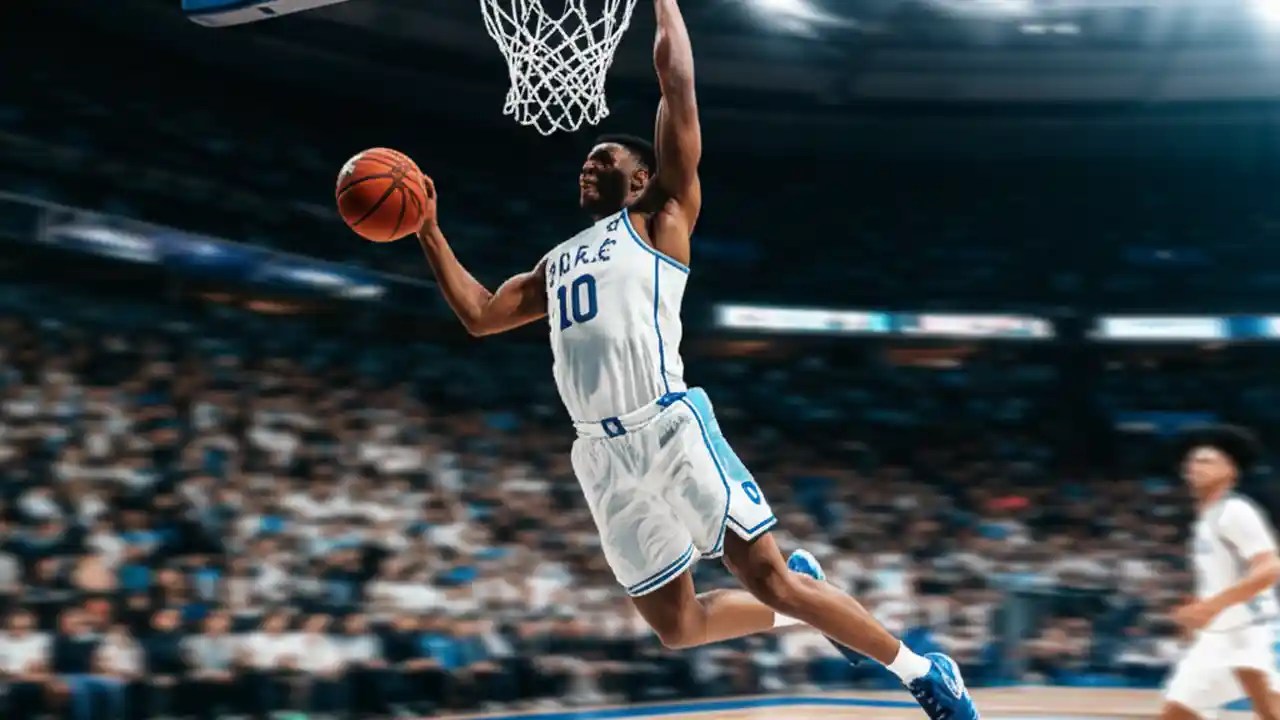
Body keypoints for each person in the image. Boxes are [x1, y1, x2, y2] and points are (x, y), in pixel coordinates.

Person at [411, 0, 979, 716]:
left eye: (604, 158)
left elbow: (676, 86)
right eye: (586, 161)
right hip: (598, 455)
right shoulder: (555, 263)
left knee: (768, 576)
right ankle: (808, 608)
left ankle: (922, 671)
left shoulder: (660, 220)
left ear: (642, 178)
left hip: (668, 426)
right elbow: (481, 316)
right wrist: (428, 230)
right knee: (679, 627)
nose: (588, 165)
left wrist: (665, 6)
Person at [1161, 425, 1280, 720]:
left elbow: (1270, 568)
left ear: (1231, 472)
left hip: (1253, 631)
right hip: (1217, 637)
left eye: (1205, 461)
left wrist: (1210, 608)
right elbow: (1222, 579)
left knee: (1270, 712)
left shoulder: (1235, 511)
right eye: (1191, 461)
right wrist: (1196, 611)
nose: (1193, 467)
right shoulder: (1206, 519)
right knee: (1177, 715)